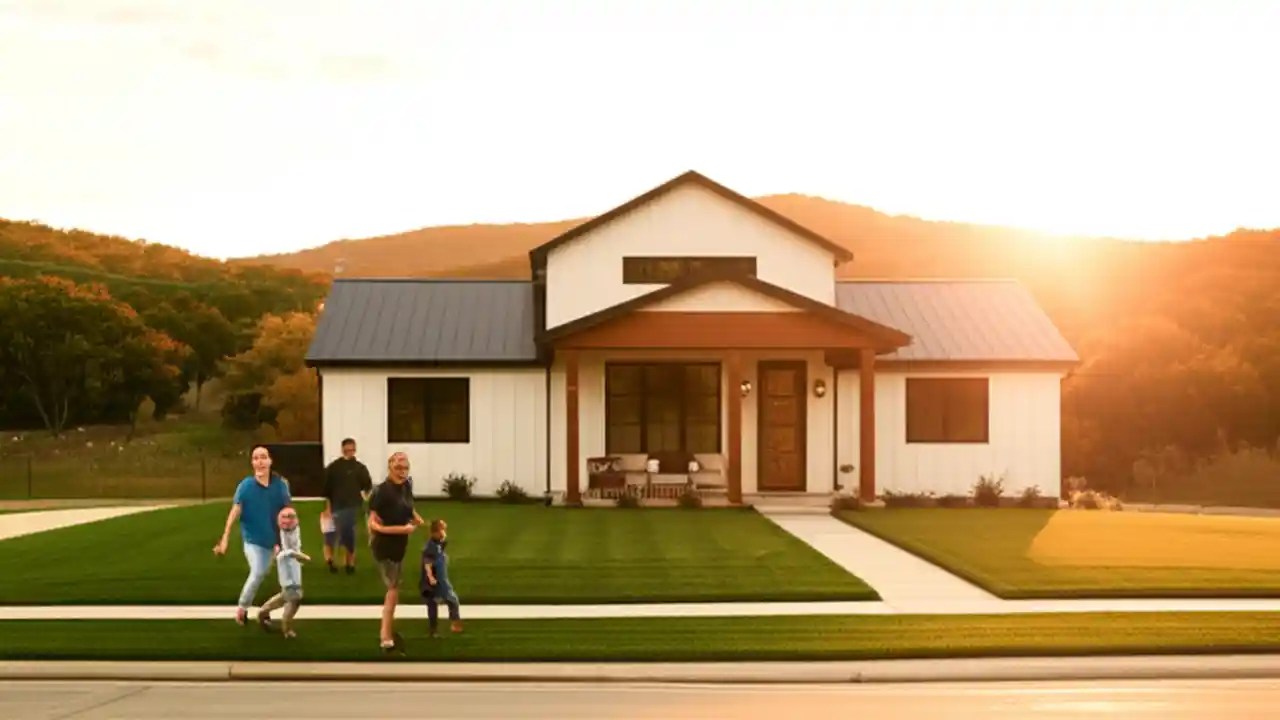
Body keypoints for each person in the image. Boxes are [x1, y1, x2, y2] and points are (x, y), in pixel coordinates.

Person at [213, 445, 292, 626]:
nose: (260, 461)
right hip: (253, 541)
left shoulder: (280, 486)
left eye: (263, 457)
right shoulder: (246, 486)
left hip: (274, 542)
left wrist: (286, 540)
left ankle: (265, 612)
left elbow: (287, 511)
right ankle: (242, 608)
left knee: (281, 582)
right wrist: (224, 538)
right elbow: (235, 512)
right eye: (256, 458)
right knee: (257, 572)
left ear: (270, 461)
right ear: (252, 463)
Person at [368, 451, 422, 654]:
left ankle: (389, 631)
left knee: (395, 589)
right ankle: (385, 637)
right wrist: (402, 529)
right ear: (389, 467)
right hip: (384, 546)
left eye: (405, 467)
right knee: (392, 590)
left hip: (400, 546)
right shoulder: (381, 491)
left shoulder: (407, 485)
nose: (402, 472)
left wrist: (416, 517)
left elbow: (407, 507)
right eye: (398, 468)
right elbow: (373, 525)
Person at [257, 506, 311, 638]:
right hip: (290, 578)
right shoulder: (283, 542)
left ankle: (263, 613)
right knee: (292, 602)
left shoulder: (290, 533)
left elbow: (292, 541)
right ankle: (286, 630)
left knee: (284, 598)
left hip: (291, 575)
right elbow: (286, 551)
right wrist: (301, 556)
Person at [322, 438, 373, 575]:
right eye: (347, 449)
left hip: (353, 507)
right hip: (335, 506)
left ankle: (349, 563)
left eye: (352, 449)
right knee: (330, 536)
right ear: (342, 449)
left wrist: (366, 498)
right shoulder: (333, 467)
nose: (350, 452)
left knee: (349, 537)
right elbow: (326, 490)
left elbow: (367, 486)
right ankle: (330, 561)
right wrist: (328, 508)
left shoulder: (360, 468)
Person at [420, 519, 462, 637]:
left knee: (450, 601)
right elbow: (427, 564)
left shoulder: (438, 544)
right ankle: (436, 629)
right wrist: (431, 577)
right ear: (434, 533)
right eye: (441, 531)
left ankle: (450, 625)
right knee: (437, 604)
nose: (444, 533)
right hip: (434, 581)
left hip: (441, 579)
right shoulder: (430, 547)